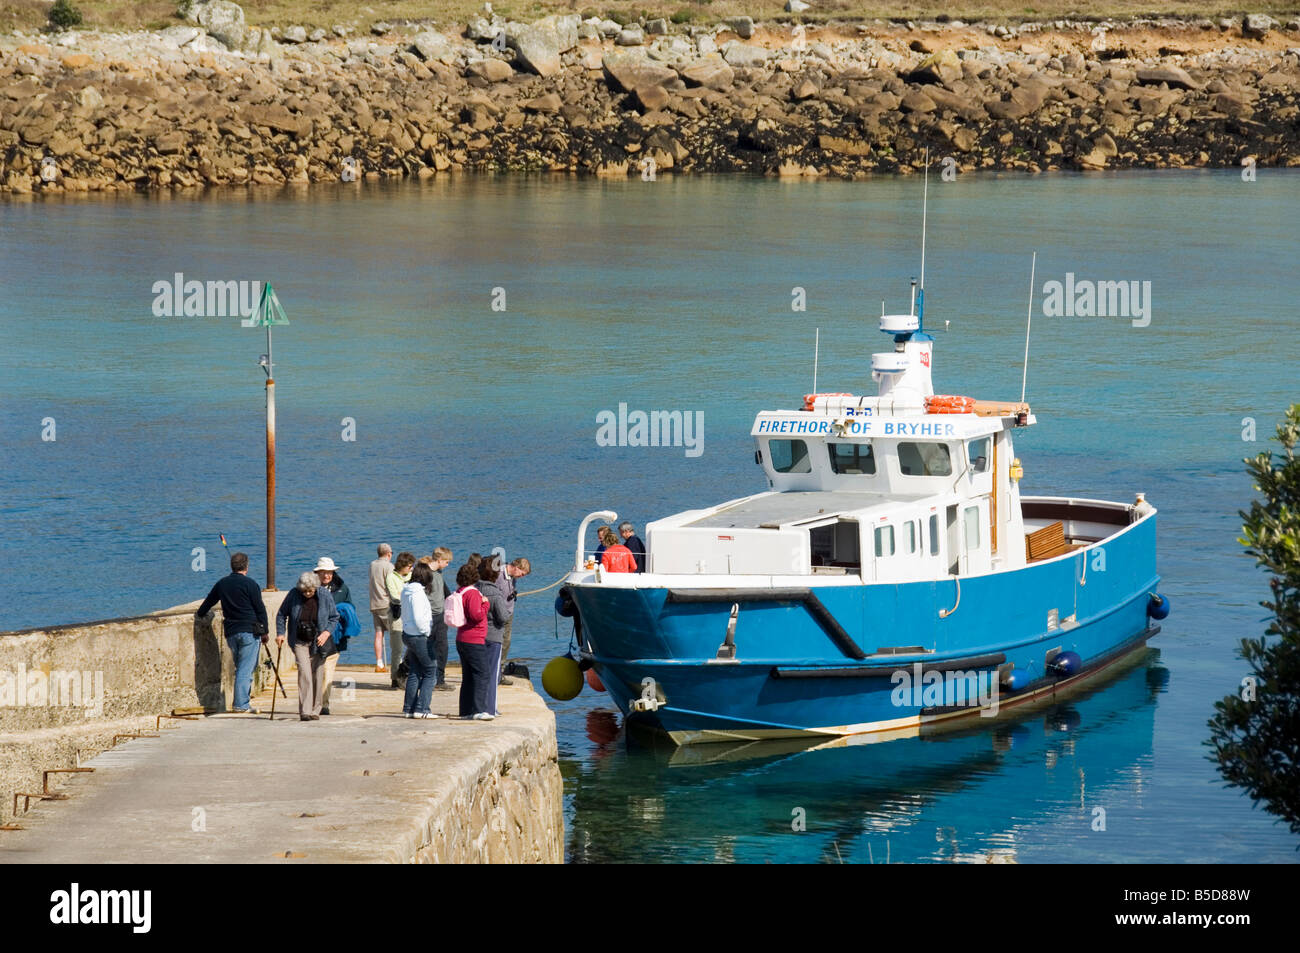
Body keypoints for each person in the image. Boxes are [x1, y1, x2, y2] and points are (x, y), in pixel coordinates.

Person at [195, 551, 269, 714]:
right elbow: (260, 609)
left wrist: (200, 614)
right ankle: (241, 704)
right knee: (245, 668)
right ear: (246, 567)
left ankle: (243, 700)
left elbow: (208, 602)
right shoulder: (251, 584)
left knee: (242, 666)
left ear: (232, 566)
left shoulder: (222, 583)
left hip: (231, 633)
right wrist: (265, 631)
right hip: (249, 631)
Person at [276, 571, 340, 721]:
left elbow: (334, 617)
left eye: (310, 591)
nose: (307, 594)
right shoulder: (294, 594)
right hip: (299, 640)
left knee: (318, 674)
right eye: (304, 591)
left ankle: (315, 710)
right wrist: (280, 633)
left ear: (316, 588)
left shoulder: (324, 595)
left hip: (319, 640)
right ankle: (305, 710)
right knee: (305, 673)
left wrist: (326, 633)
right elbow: (281, 614)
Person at [315, 557, 355, 716]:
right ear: (317, 573)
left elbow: (351, 608)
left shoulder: (342, 588)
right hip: (314, 636)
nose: (327, 575)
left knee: (327, 670)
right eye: (324, 572)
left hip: (334, 638)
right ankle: (315, 701)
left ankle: (324, 704)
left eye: (329, 572)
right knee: (314, 671)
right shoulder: (310, 588)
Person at [453, 562, 493, 720]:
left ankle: (466, 711)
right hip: (474, 639)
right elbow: (476, 615)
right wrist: (486, 604)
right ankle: (478, 709)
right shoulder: (473, 593)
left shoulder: (460, 591)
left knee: (468, 676)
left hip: (461, 637)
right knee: (482, 673)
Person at [400, 562, 439, 719]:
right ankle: (422, 708)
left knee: (415, 671)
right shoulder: (417, 593)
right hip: (419, 635)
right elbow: (418, 617)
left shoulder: (406, 590)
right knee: (431, 671)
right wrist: (426, 631)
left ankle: (409, 708)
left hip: (408, 634)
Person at [478, 556, 510, 717]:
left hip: (476, 637)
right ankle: (490, 709)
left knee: (478, 673)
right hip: (493, 636)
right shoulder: (495, 594)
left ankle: (476, 706)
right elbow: (503, 616)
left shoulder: (475, 589)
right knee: (492, 674)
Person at [495, 556, 531, 681]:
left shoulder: (513, 577)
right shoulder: (499, 575)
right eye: (522, 574)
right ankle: (494, 671)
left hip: (508, 613)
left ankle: (500, 670)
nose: (522, 576)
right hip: (497, 614)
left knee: (506, 642)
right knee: (495, 642)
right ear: (516, 567)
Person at [385, 552, 415, 690]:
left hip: (410, 615)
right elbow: (395, 596)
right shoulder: (391, 577)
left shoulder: (411, 575)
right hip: (397, 615)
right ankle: (395, 678)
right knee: (397, 648)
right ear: (402, 566)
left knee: (412, 646)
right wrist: (408, 594)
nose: (411, 568)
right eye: (409, 566)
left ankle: (405, 673)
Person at [430, 547, 454, 691]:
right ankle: (438, 679)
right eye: (446, 562)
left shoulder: (439, 574)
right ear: (439, 560)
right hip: (433, 615)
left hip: (441, 614)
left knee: (441, 647)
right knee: (439, 647)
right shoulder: (428, 574)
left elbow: (446, 593)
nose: (447, 564)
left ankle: (439, 678)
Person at [369, 544, 394, 673]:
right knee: (395, 633)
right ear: (389, 554)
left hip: (374, 603)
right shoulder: (389, 566)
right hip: (386, 604)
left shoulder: (372, 565)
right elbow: (391, 585)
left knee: (379, 634)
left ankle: (379, 663)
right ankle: (397, 661)